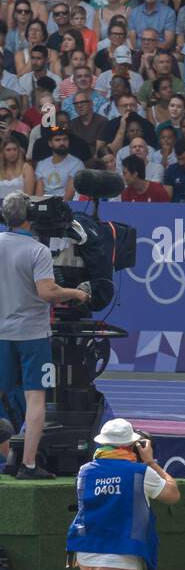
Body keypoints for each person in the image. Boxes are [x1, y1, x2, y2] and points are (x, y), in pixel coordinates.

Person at [15, 418, 179, 570]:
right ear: (129, 446)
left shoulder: (85, 471)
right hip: (118, 558)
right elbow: (173, 494)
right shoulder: (141, 473)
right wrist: (151, 463)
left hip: (85, 556)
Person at [0, 193, 90, 480]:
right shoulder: (36, 250)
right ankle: (27, 464)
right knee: (36, 397)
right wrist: (77, 293)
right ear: (31, 216)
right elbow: (46, 292)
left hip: (2, 333)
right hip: (32, 335)